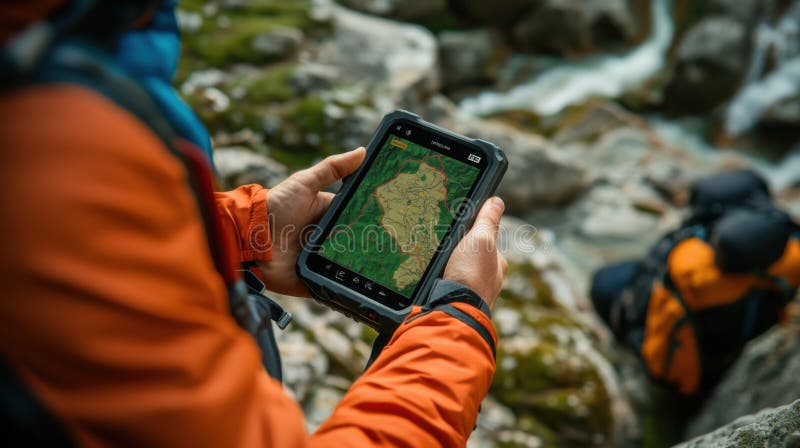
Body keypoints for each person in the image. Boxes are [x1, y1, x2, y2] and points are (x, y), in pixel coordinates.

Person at [0, 1, 508, 446]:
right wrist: (456, 320)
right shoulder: (45, 140)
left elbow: (95, 253)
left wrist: (246, 231)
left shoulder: (43, 82)